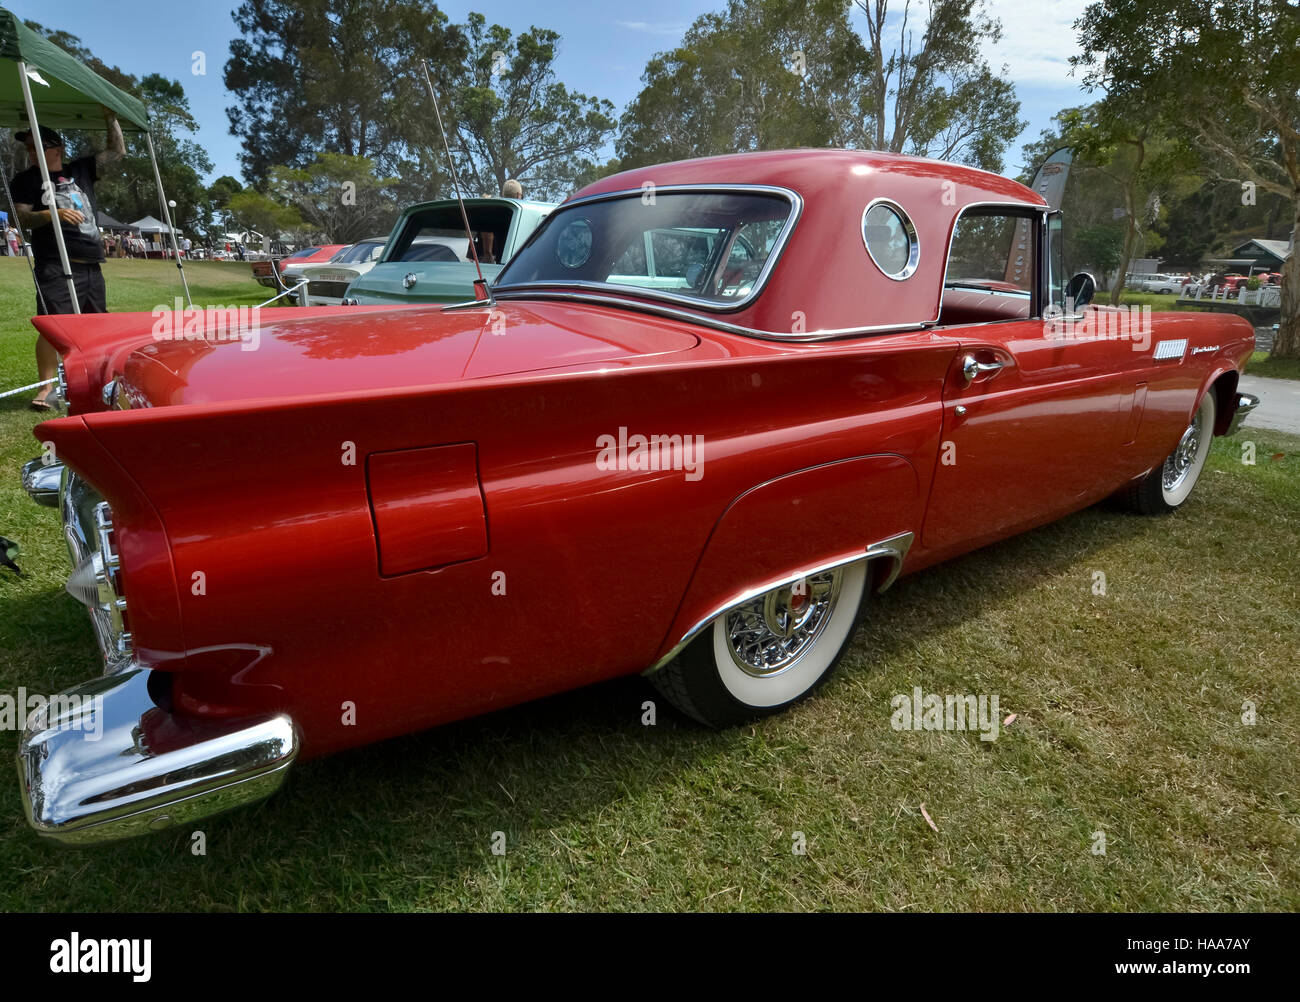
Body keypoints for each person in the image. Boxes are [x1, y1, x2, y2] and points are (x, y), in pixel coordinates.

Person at [10, 107, 124, 409]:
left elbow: (117, 151)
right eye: (29, 147)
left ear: (57, 149)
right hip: (54, 263)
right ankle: (45, 389)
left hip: (90, 262)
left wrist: (110, 119)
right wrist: (52, 214)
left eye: (38, 146)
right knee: (53, 326)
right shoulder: (25, 181)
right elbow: (20, 220)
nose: (32, 152)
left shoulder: (81, 169)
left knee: (96, 325)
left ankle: (97, 381)